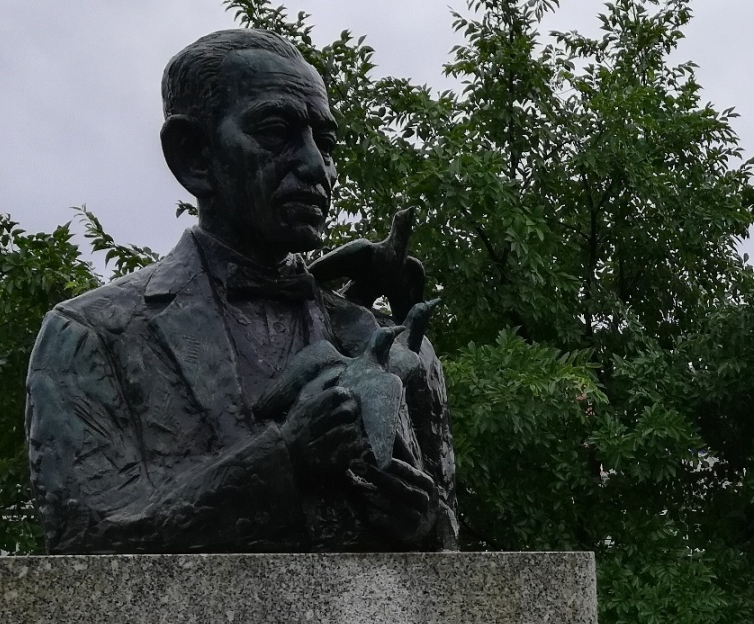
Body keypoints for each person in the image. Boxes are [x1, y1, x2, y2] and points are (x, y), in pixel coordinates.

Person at [26, 29, 454, 553]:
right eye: (276, 132)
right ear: (194, 156)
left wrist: (421, 521)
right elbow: (82, 540)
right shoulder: (91, 335)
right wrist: (283, 459)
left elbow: (449, 534)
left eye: (327, 143)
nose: (317, 167)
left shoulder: (380, 339)